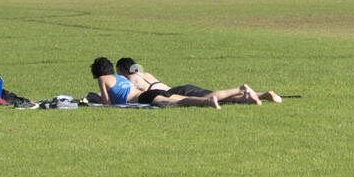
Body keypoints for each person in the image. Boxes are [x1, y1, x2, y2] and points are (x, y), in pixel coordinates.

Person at [87, 57, 252, 108]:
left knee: (179, 103)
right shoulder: (122, 77)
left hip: (146, 97)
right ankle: (238, 89)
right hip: (155, 92)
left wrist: (95, 99)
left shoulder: (103, 79)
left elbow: (107, 103)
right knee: (181, 100)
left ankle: (208, 102)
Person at [117, 57, 281, 105]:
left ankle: (243, 91)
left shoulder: (132, 79)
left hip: (177, 91)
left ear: (124, 71)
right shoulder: (147, 74)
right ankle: (260, 96)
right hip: (181, 87)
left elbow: (135, 92)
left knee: (211, 97)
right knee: (221, 98)